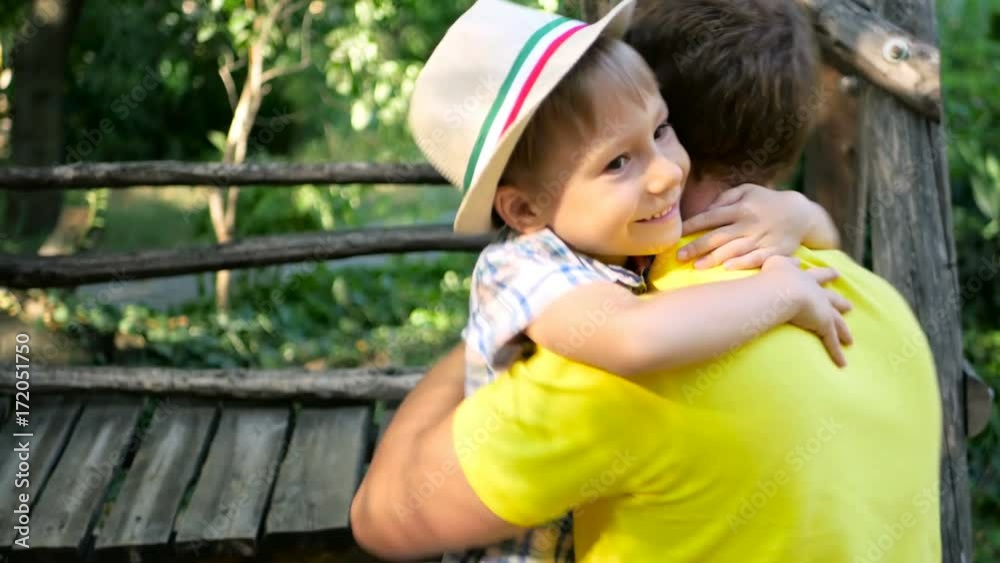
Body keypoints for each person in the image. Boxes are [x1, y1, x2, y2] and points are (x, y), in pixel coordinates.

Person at [350, 0, 943, 560]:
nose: (659, 172)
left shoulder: (610, 369)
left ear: (669, 111)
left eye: (661, 132)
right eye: (617, 160)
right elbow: (634, 335)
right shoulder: (881, 308)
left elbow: (382, 518)